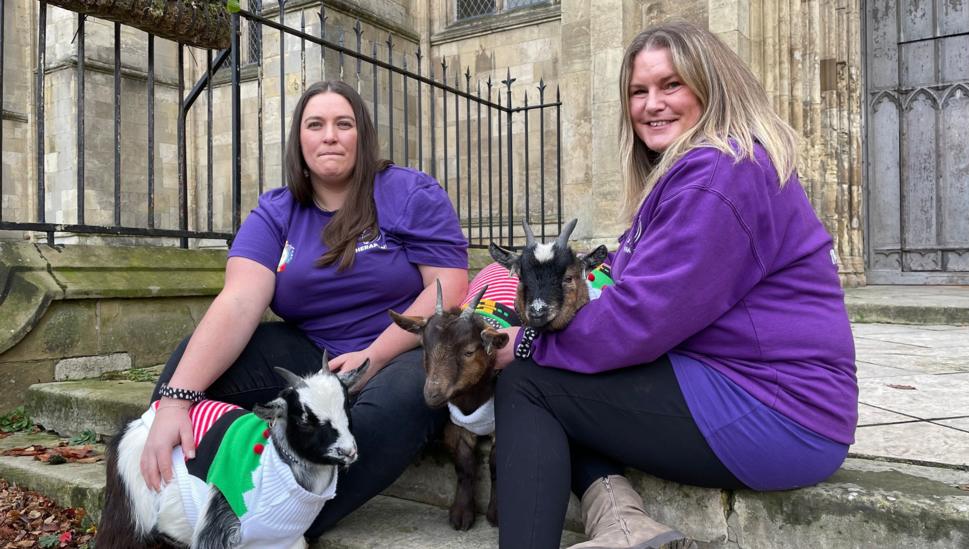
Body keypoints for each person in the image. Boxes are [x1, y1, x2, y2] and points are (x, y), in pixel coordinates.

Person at [491, 21, 857, 549]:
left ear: (712, 88)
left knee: (528, 381)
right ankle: (623, 523)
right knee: (570, 375)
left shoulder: (720, 176)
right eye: (638, 92)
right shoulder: (703, 170)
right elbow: (627, 275)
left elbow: (640, 318)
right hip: (750, 388)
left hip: (779, 413)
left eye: (671, 85)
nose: (651, 104)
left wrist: (525, 340)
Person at [139, 80, 469, 539]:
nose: (329, 135)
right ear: (300, 139)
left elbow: (447, 289)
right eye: (316, 124)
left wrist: (370, 359)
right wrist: (174, 401)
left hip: (404, 351)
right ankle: (166, 503)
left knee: (393, 406)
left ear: (362, 136)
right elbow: (238, 301)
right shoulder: (277, 210)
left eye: (343, 124)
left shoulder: (408, 193)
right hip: (311, 354)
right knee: (189, 369)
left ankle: (271, 530)